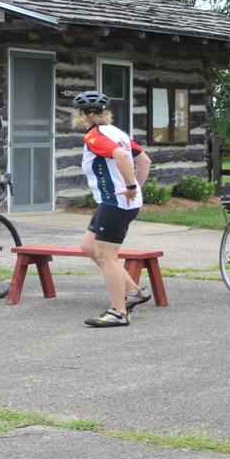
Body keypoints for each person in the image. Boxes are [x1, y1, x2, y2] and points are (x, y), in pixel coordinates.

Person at [73, 90, 152, 328]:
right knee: (88, 246)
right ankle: (135, 292)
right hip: (114, 202)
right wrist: (135, 189)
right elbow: (145, 161)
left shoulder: (94, 136)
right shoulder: (118, 133)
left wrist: (130, 186)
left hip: (115, 203)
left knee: (106, 256)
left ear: (82, 115)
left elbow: (120, 155)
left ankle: (119, 311)